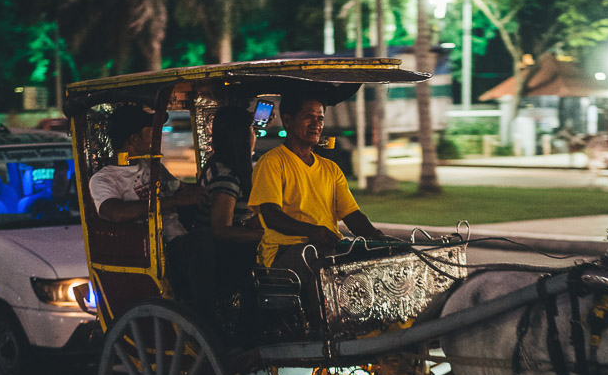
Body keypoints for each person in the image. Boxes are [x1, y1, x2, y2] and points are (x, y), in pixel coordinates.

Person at [247, 91, 388, 273]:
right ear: (288, 121)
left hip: (326, 248)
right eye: (309, 117)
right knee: (325, 270)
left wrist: (377, 236)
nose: (317, 125)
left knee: (378, 263)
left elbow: (352, 214)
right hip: (285, 251)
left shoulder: (331, 168)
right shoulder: (272, 162)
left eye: (320, 119)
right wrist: (313, 231)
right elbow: (271, 215)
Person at [180, 106, 263, 328]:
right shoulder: (224, 175)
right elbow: (221, 229)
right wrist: (259, 235)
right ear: (241, 137)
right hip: (221, 255)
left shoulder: (234, 169)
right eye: (251, 129)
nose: (255, 134)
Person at [90, 104, 206, 243]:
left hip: (181, 238)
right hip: (154, 249)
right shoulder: (104, 179)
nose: (155, 140)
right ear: (134, 139)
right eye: (150, 134)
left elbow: (181, 188)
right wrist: (174, 201)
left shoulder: (152, 166)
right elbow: (116, 212)